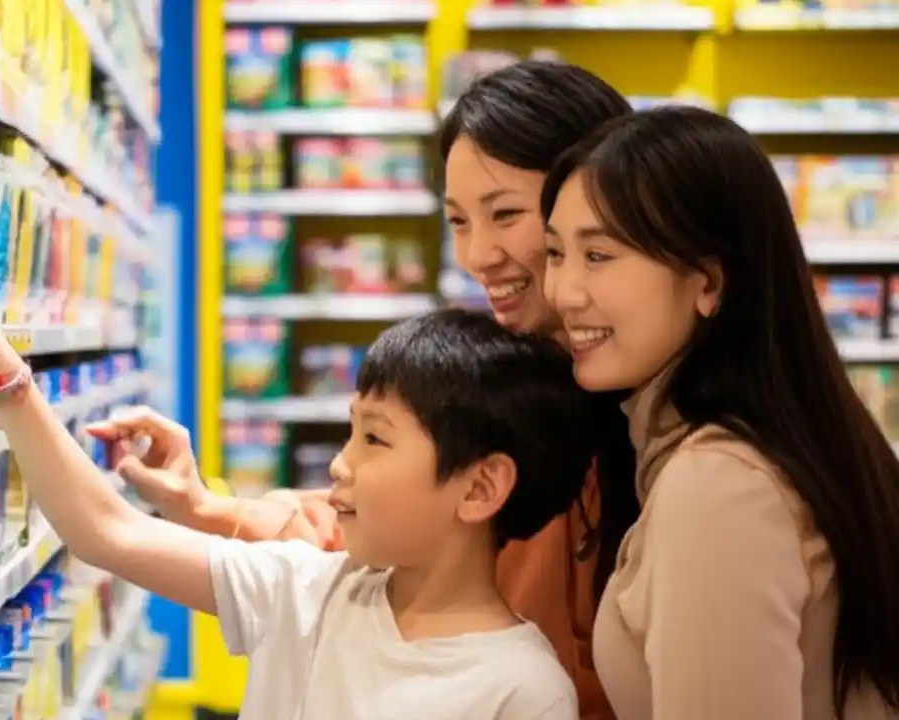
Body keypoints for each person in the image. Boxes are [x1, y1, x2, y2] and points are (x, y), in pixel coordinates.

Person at [88, 59, 636, 719]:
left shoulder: (636, 419)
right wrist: (209, 508)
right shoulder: (521, 381)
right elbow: (379, 521)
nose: (478, 254)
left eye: (506, 214)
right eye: (459, 221)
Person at [0, 270, 597, 719]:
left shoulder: (524, 691)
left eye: (374, 440)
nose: (340, 468)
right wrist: (6, 377)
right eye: (350, 434)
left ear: (480, 487)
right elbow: (107, 531)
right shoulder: (311, 590)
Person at [541, 105, 899, 718]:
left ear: (707, 282)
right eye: (555, 254)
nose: (563, 293)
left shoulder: (719, 488)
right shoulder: (768, 443)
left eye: (598, 256)